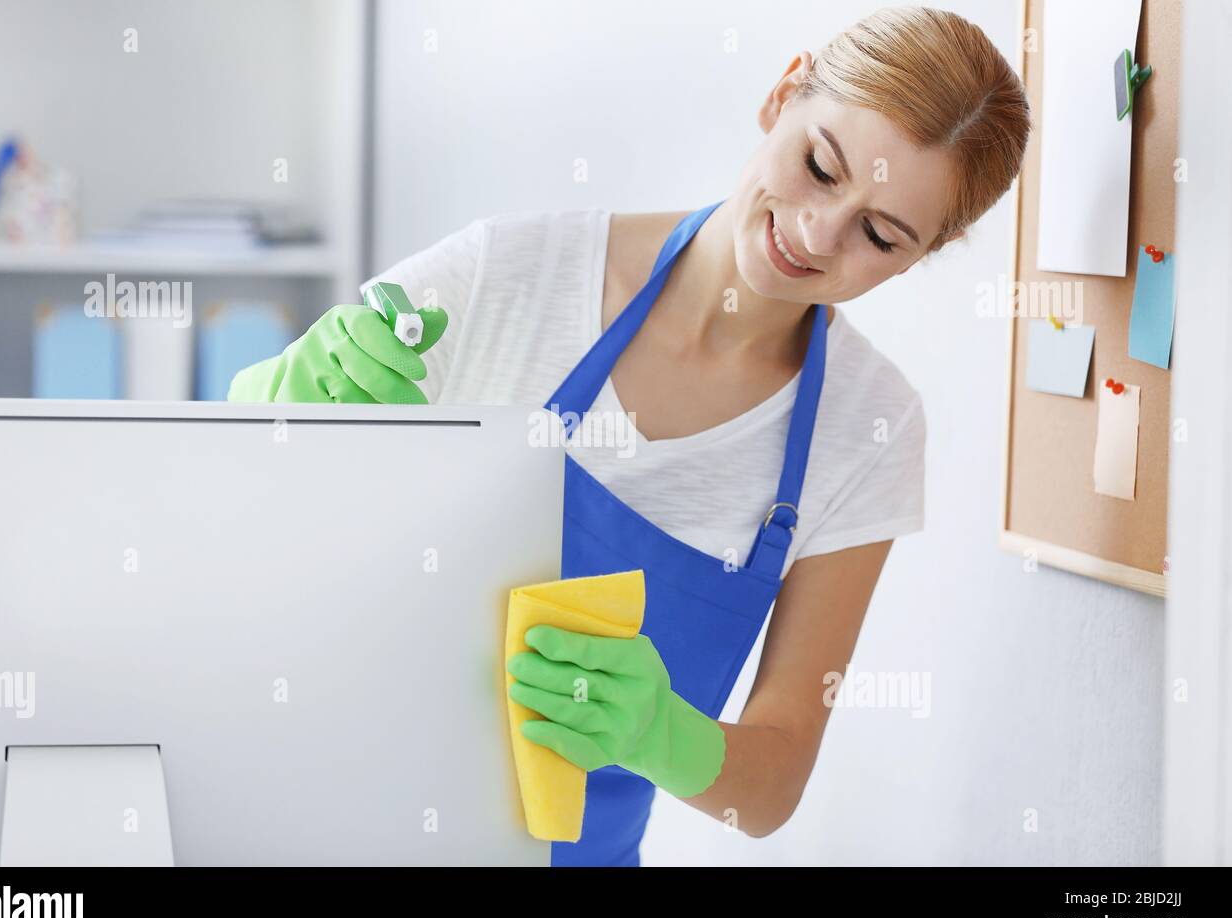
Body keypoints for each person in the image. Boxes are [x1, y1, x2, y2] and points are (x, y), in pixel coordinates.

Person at [229, 6, 1030, 866]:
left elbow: (772, 786)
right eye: (820, 167)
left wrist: (664, 734)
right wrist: (285, 402)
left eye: (880, 235)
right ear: (785, 92)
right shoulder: (508, 275)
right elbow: (224, 508)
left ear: (925, 255)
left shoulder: (869, 427)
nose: (816, 234)